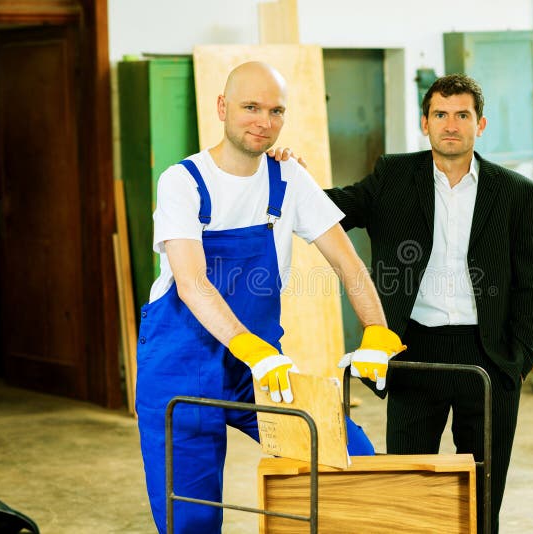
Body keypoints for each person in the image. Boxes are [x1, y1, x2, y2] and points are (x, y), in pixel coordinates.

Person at [135, 61, 405, 534]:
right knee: (191, 518)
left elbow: (349, 263)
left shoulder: (289, 179)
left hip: (258, 367)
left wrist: (378, 330)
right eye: (250, 107)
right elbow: (192, 282)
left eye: (276, 110)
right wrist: (253, 351)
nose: (264, 121)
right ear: (222, 107)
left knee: (349, 453)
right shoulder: (182, 182)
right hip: (180, 365)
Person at [326, 73, 533, 532]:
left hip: (488, 358)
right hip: (414, 352)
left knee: (483, 498)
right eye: (440, 114)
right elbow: (334, 210)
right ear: (424, 122)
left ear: (480, 124)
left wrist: (519, 359)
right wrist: (284, 177)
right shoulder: (394, 175)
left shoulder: (515, 191)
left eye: (462, 115)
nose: (451, 125)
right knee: (408, 492)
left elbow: (531, 281)